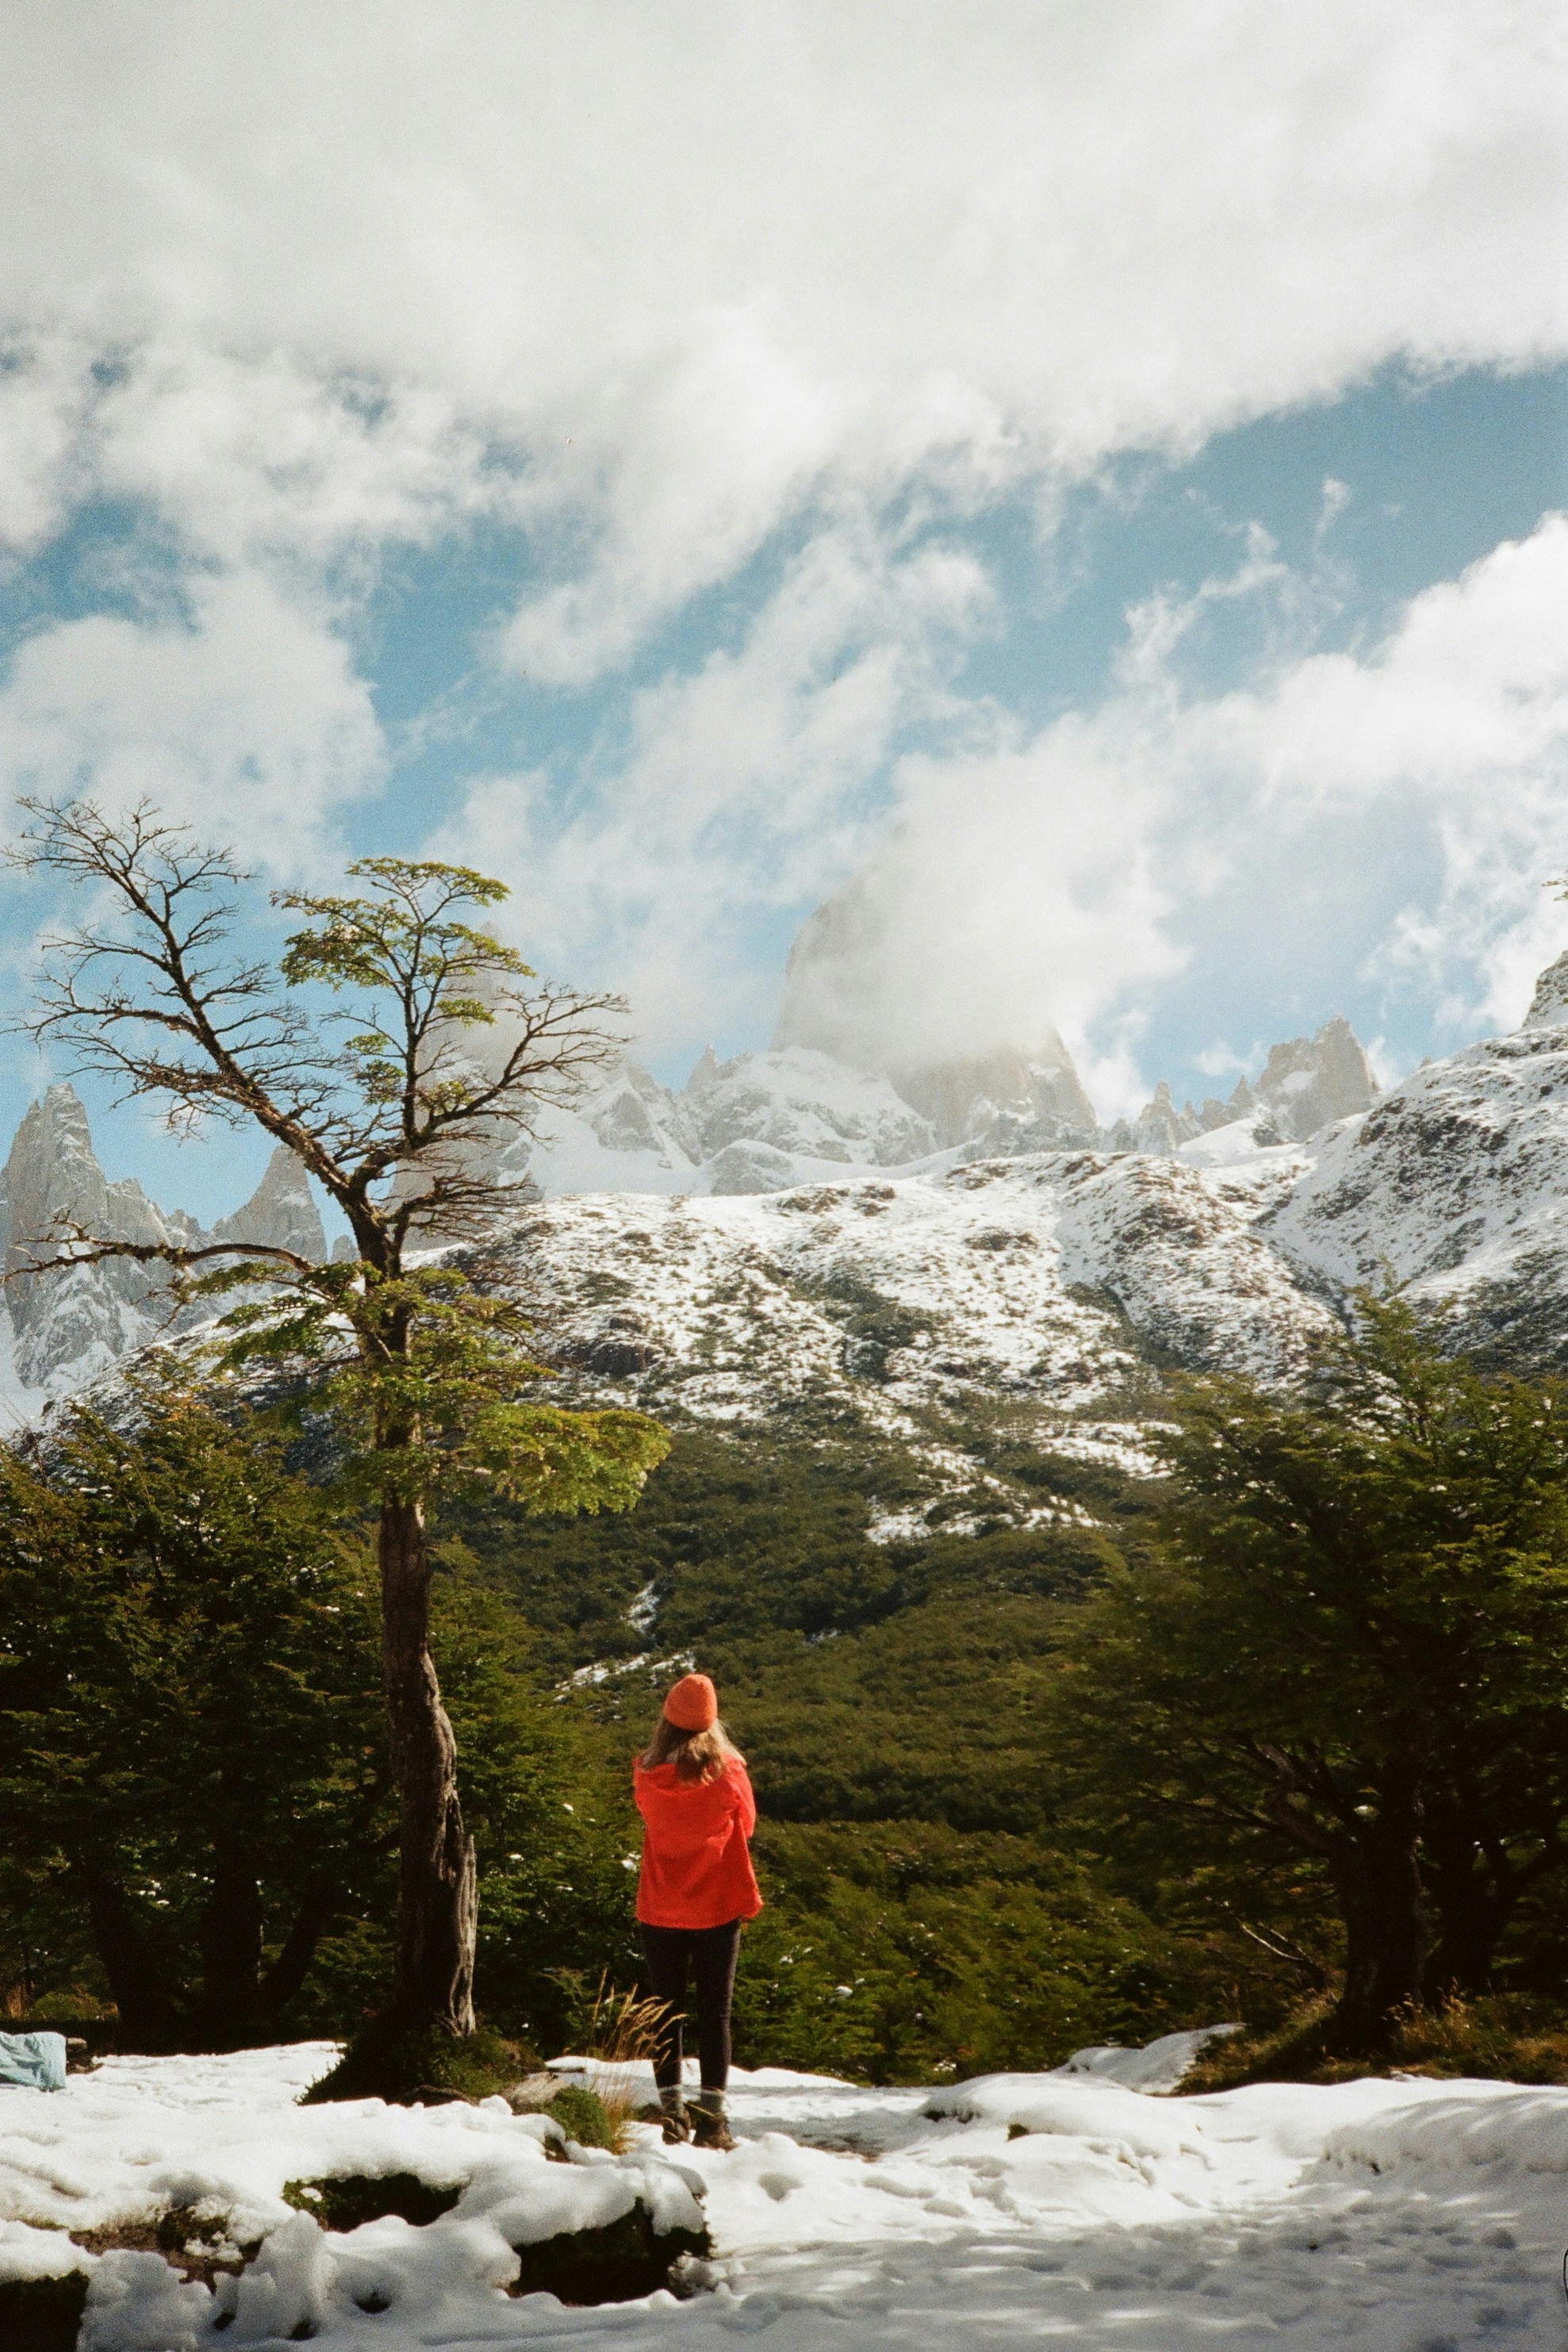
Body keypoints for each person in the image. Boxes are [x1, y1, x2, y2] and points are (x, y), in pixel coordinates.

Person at [634, 1671, 762, 2151]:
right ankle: (712, 2123)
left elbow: (651, 1819)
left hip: (660, 1904)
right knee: (716, 2014)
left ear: (667, 1716)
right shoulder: (729, 1771)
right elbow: (746, 1826)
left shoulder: (646, 1773)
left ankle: (670, 2117)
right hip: (716, 1904)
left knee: (664, 2012)